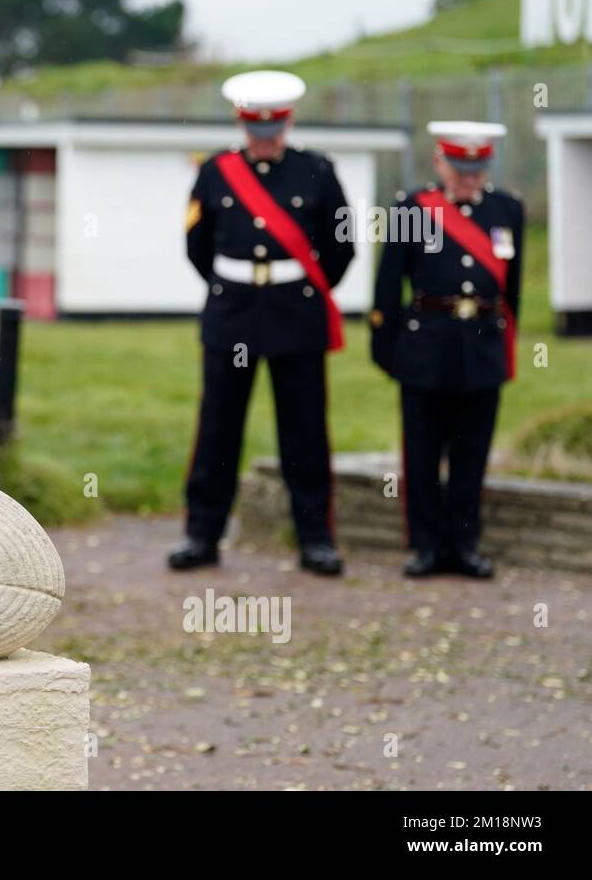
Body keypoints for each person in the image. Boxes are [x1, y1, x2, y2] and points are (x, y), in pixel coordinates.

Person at [169, 70, 353, 576]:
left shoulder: (318, 171)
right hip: (232, 314)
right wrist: (234, 285)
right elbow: (197, 245)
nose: (265, 140)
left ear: (288, 123)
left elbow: (342, 247)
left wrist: (299, 288)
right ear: (241, 123)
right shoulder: (215, 172)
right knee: (218, 430)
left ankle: (316, 539)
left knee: (306, 431)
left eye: (273, 131)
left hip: (297, 313)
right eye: (256, 130)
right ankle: (202, 535)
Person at [371, 121, 521, 579]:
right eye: (458, 168)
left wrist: (506, 345)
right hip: (426, 343)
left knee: (472, 453)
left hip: (481, 345)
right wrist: (388, 348)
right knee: (421, 453)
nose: (466, 178)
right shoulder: (412, 208)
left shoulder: (506, 209)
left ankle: (465, 544)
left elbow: (511, 288)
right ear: (440, 162)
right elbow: (387, 284)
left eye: (475, 170)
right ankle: (425, 546)